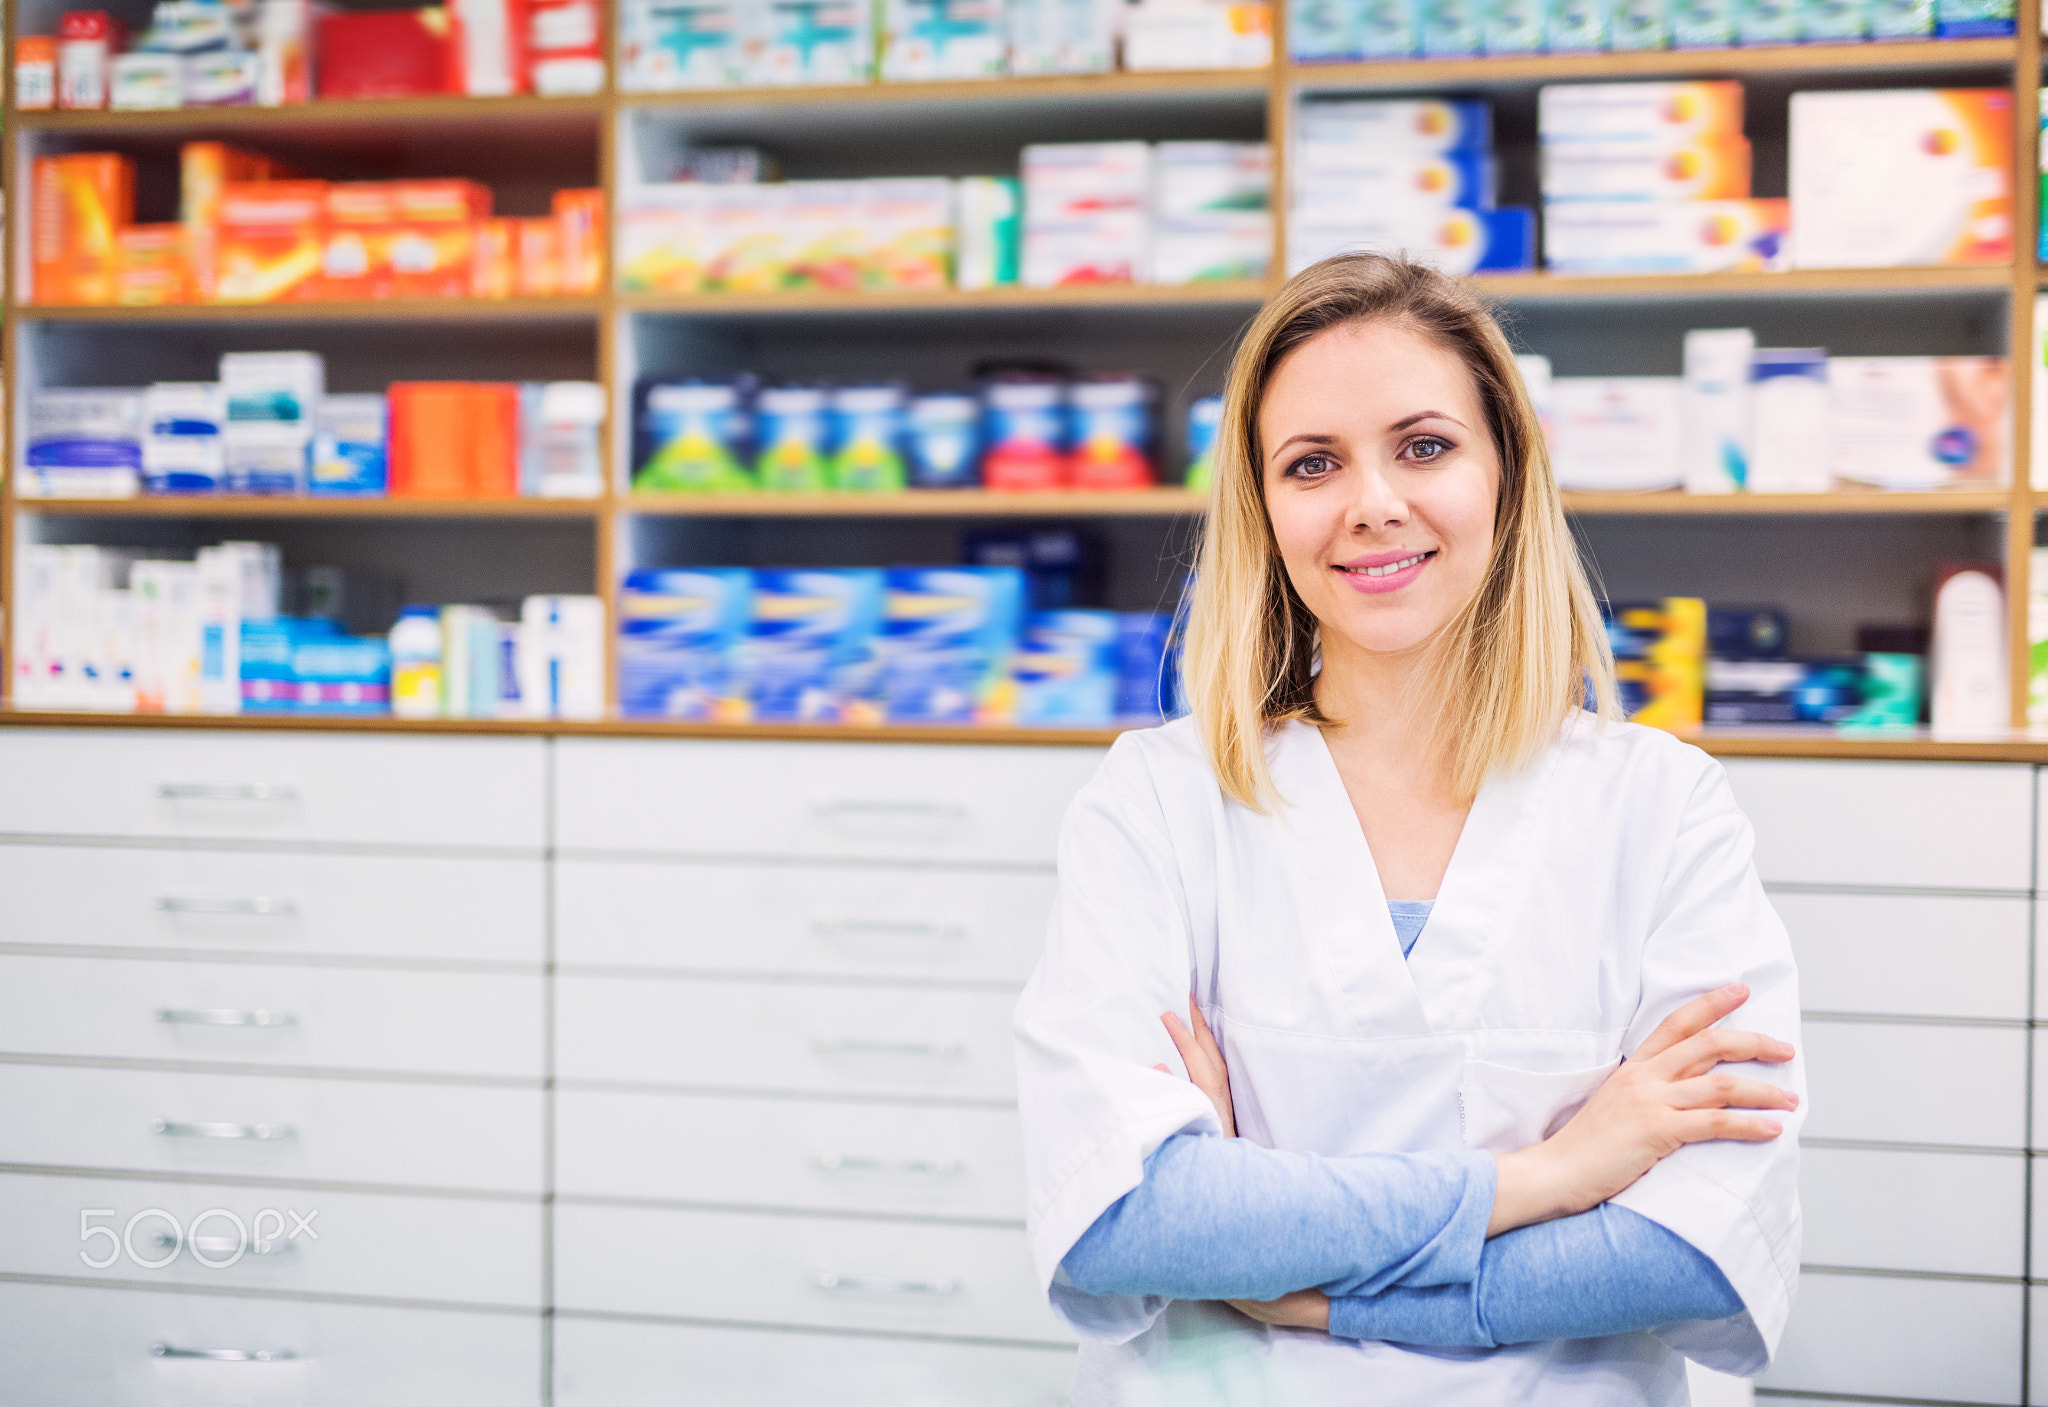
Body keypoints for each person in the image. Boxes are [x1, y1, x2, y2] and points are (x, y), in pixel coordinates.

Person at [1012, 253, 1804, 1406]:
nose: (1371, 502)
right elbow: (1124, 1221)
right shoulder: (1157, 804)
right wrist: (1547, 1176)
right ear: (1262, 509)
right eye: (1311, 463)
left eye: (1423, 447)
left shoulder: (1659, 808)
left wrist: (1300, 1281)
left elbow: (1686, 1252)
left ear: (1505, 475)